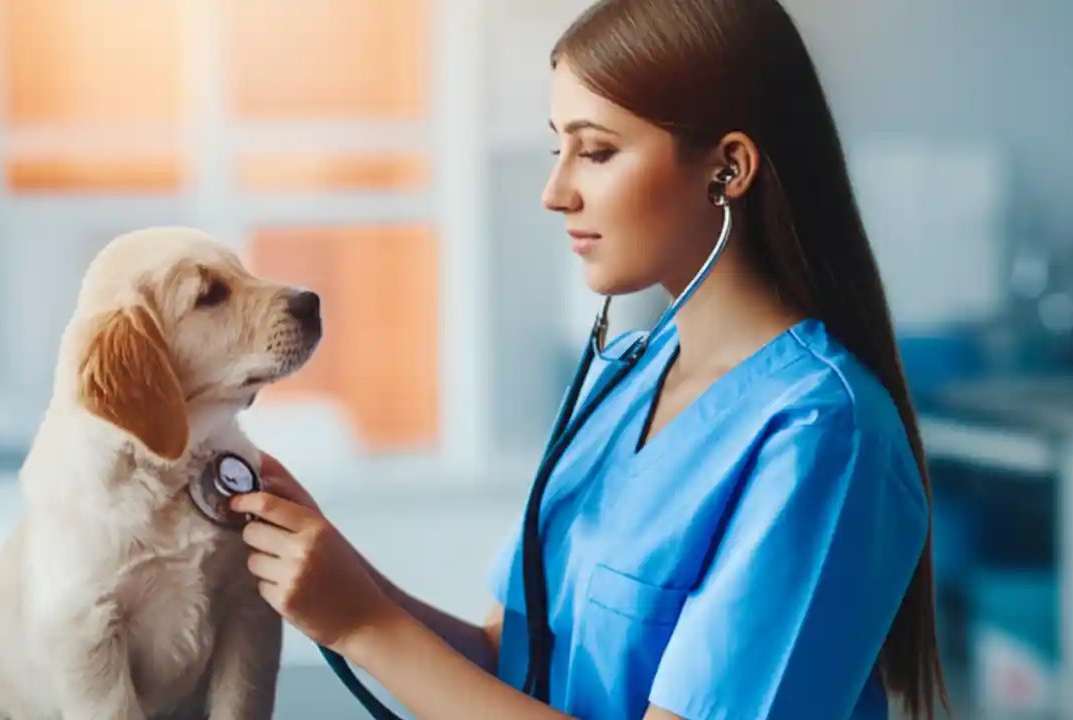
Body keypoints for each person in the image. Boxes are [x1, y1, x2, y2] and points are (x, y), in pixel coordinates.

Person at [229, 0, 950, 717]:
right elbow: (510, 661)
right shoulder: (630, 379)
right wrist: (337, 575)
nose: (555, 192)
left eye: (597, 151)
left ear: (728, 169)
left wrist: (363, 623)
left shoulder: (824, 436)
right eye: (558, 149)